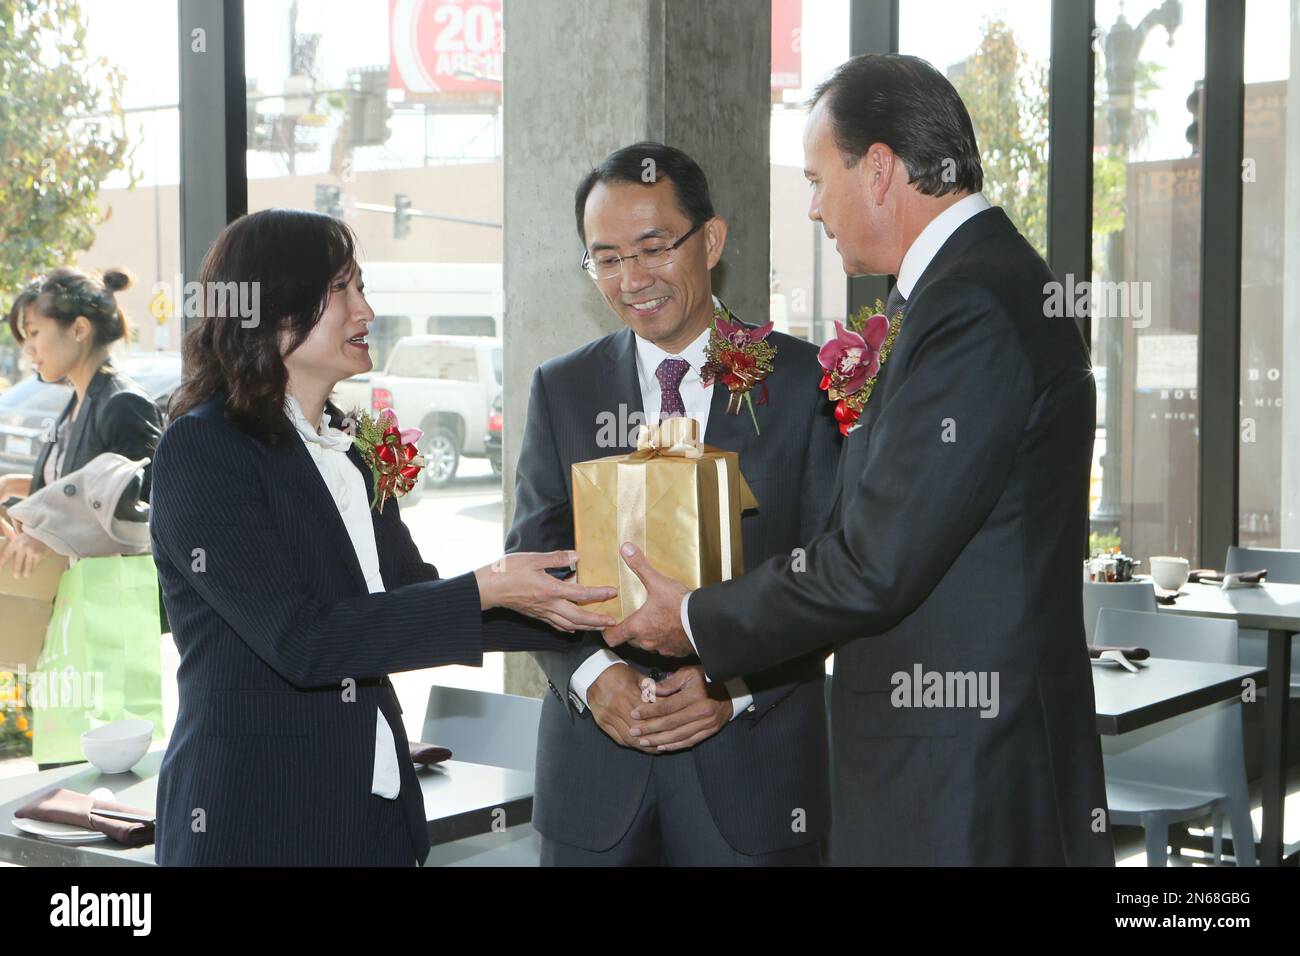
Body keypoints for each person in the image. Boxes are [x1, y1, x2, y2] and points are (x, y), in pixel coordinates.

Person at [604, 55, 1114, 866]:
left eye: (816, 178)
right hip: (955, 759)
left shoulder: (970, 306)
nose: (811, 207)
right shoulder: (971, 285)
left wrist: (697, 616)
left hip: (962, 780)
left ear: (878, 169)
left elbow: (876, 561)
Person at [149, 208, 614, 866]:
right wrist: (488, 587)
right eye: (343, 288)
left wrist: (594, 606)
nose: (366, 309)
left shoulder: (349, 448)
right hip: (258, 816)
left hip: (372, 807)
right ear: (275, 306)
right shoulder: (204, 450)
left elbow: (412, 599)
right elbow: (303, 641)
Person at [505, 143, 839, 865]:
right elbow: (532, 568)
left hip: (756, 777)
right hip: (595, 782)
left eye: (653, 249)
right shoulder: (562, 389)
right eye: (607, 259)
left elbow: (834, 572)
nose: (633, 280)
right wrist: (595, 679)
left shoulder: (808, 381)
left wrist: (736, 681)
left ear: (711, 240)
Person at [0, 267, 164, 770]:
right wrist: (19, 493)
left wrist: (46, 532)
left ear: (79, 328)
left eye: (34, 332)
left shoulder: (123, 402)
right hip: (78, 598)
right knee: (71, 747)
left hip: (106, 601)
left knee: (100, 753)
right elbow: (85, 483)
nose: (29, 348)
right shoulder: (75, 403)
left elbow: (137, 503)